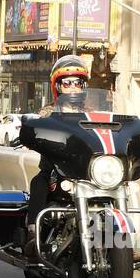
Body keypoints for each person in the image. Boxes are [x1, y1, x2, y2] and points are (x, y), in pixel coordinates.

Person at [24, 55, 91, 257]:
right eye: (67, 82)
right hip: (56, 170)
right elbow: (35, 128)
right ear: (58, 86)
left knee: (116, 188)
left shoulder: (91, 113)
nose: (72, 87)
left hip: (85, 171)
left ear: (83, 86)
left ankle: (122, 242)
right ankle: (33, 235)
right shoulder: (49, 112)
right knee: (39, 184)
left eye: (77, 82)